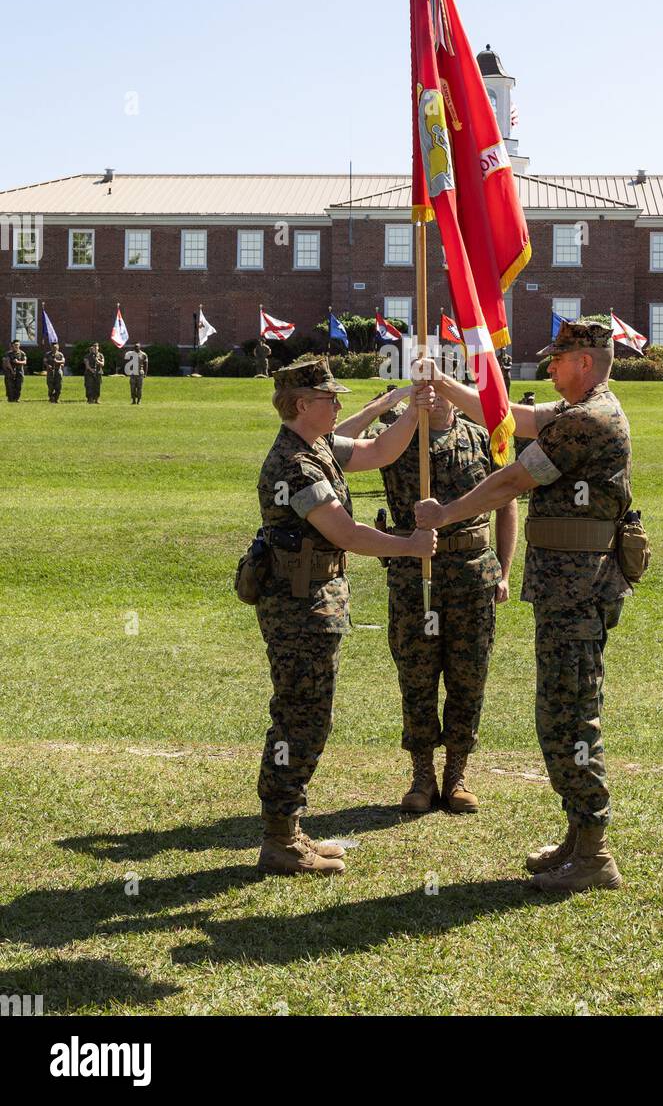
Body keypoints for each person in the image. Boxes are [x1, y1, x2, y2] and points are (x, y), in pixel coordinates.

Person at [415, 320, 633, 895]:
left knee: (569, 716)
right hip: (570, 592)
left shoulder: (589, 419)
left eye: (557, 361)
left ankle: (594, 854)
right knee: (560, 712)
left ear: (583, 362)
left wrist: (447, 513)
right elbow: (517, 417)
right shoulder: (583, 409)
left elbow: (512, 479)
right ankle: (578, 839)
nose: (549, 370)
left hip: (577, 595)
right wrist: (446, 381)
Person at [253, 355, 436, 877]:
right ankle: (280, 840)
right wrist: (411, 545)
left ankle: (287, 832)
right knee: (300, 718)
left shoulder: (315, 448)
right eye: (331, 398)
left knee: (309, 715)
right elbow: (347, 535)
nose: (338, 405)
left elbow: (380, 450)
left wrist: (412, 412)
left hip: (314, 601)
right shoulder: (296, 464)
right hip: (299, 607)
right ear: (303, 404)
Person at [338, 388, 517, 814]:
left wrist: (505, 572)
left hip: (473, 574)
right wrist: (385, 407)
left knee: (468, 676)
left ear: (457, 394)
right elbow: (333, 446)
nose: (434, 397)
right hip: (415, 575)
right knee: (416, 677)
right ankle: (422, 775)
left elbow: (507, 502)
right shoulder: (397, 441)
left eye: (441, 388)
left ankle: (457, 774)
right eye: (424, 389)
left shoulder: (483, 438)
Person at [513, 390, 537, 459]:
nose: (531, 402)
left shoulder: (535, 409)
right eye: (529, 400)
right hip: (521, 442)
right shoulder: (521, 409)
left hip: (531, 442)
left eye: (532, 400)